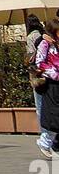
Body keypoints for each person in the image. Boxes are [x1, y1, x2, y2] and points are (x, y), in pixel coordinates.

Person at [34, 18, 59, 155]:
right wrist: (54, 73)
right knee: (53, 116)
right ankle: (45, 143)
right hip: (52, 84)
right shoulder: (45, 44)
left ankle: (52, 144)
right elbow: (40, 63)